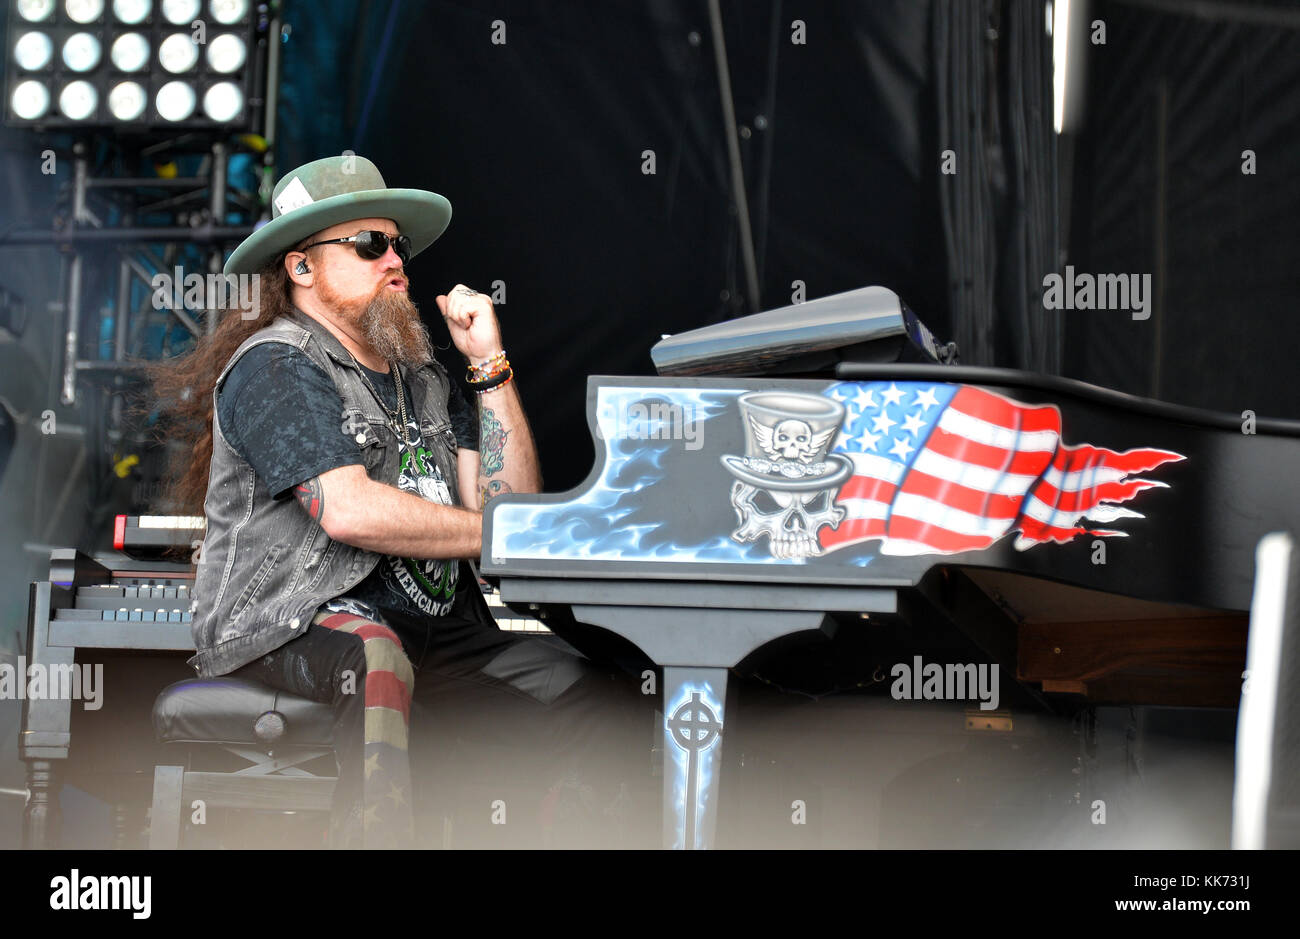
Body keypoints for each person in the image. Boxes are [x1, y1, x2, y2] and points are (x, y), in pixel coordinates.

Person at [152, 155, 648, 848]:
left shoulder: (426, 380)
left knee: (596, 696)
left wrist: (488, 364)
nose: (395, 261)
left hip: (437, 633)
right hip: (295, 621)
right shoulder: (278, 363)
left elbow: (515, 508)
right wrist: (490, 533)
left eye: (398, 246)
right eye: (369, 245)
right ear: (301, 268)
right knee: (375, 655)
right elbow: (347, 509)